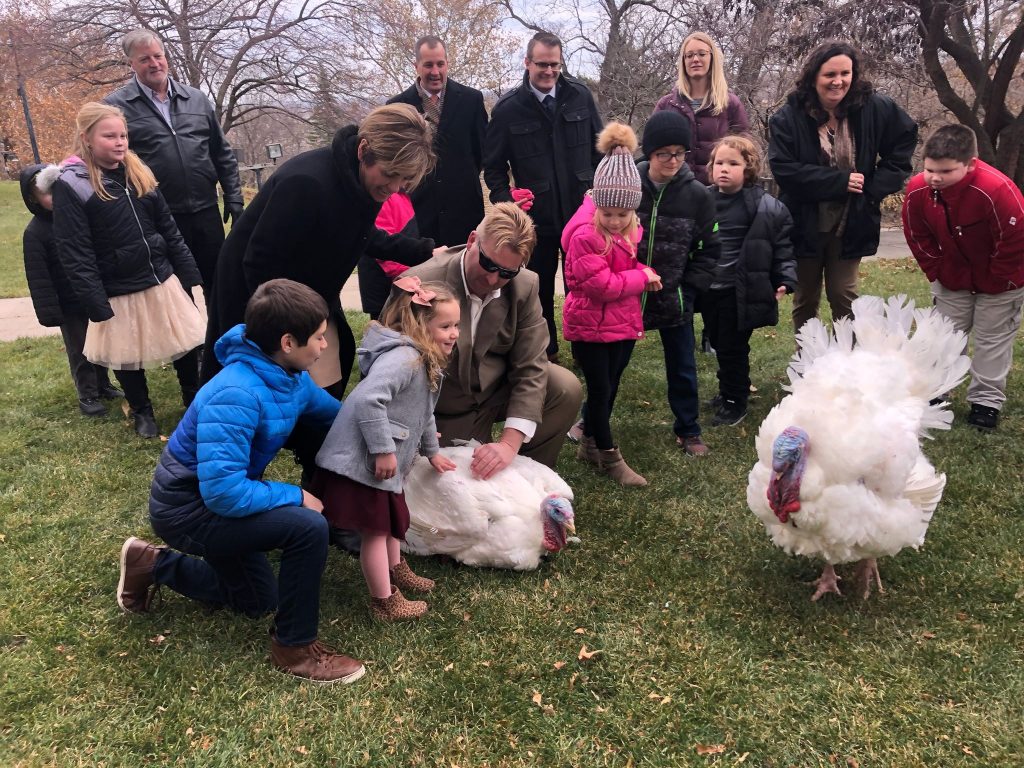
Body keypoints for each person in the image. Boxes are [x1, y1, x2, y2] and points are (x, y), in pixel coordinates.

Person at [116, 279, 365, 684]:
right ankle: (295, 647)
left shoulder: (290, 377)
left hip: (215, 501)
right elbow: (224, 492)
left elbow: (336, 415)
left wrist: (390, 431)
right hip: (189, 511)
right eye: (319, 338)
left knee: (256, 599)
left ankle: (151, 563)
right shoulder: (235, 394)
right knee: (307, 526)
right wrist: (296, 494)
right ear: (288, 342)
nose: (324, 346)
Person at [202, 103, 439, 395]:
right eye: (390, 174)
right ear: (364, 150)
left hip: (314, 299)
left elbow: (364, 236)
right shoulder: (307, 183)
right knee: (258, 398)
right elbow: (258, 262)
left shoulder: (363, 182)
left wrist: (426, 252)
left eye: (403, 180)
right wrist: (283, 334)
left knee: (327, 390)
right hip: (260, 301)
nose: (394, 187)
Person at [386, 202, 584, 478]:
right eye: (488, 263)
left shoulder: (525, 285)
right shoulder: (419, 285)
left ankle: (527, 478)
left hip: (493, 395)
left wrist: (508, 444)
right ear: (471, 241)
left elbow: (531, 365)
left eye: (507, 273)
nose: (493, 279)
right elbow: (388, 371)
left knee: (564, 387)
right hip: (440, 412)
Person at [52, 102, 205, 438]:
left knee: (185, 341)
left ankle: (192, 398)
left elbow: (168, 227)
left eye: (123, 135)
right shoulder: (73, 184)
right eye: (109, 136)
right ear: (87, 138)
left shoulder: (139, 172)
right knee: (127, 355)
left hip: (160, 277)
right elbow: (74, 250)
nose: (119, 142)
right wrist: (94, 300)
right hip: (117, 286)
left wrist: (189, 273)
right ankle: (142, 411)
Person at [313, 277, 459, 621]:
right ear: (420, 324)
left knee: (391, 523)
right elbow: (367, 400)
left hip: (387, 466)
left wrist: (432, 451)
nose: (454, 333)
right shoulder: (404, 360)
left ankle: (396, 569)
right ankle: (384, 602)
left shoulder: (423, 359)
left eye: (456, 325)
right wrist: (382, 449)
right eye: (445, 326)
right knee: (376, 532)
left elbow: (422, 413)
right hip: (366, 463)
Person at [768, 40, 917, 334]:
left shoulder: (875, 107)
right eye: (829, 75)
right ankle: (808, 364)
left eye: (845, 73)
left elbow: (904, 143)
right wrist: (839, 182)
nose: (838, 81)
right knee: (806, 296)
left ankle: (847, 366)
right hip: (804, 219)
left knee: (844, 295)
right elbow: (784, 170)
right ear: (814, 77)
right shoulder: (789, 116)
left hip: (852, 220)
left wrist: (873, 188)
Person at [483, 31, 603, 362]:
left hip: (582, 215)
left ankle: (586, 347)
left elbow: (600, 150)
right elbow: (492, 168)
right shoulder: (508, 110)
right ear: (527, 63)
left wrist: (597, 191)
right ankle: (546, 351)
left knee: (583, 284)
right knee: (539, 289)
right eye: (542, 65)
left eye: (555, 64)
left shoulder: (579, 96)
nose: (549, 71)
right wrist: (507, 200)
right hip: (537, 220)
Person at [105, 29, 243, 302]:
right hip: (159, 217)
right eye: (145, 59)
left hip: (206, 211)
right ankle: (190, 346)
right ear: (130, 64)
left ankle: (220, 340)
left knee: (220, 284)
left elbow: (221, 152)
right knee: (177, 292)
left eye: (158, 56)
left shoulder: (196, 99)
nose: (154, 64)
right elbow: (112, 164)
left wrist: (234, 197)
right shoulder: (116, 107)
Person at [902, 124, 1024, 432]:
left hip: (1001, 282)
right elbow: (917, 236)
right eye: (930, 169)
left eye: (945, 171)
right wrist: (938, 270)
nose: (935, 177)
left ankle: (986, 402)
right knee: (943, 337)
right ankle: (937, 391)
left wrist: (998, 278)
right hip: (952, 278)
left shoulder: (996, 189)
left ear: (970, 164)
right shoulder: (917, 190)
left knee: (991, 340)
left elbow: (1016, 240)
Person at [561, 124, 661, 486]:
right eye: (609, 213)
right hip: (591, 327)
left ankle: (588, 444)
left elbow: (627, 269)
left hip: (620, 323)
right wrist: (640, 279)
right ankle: (609, 456)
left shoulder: (631, 234)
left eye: (623, 214)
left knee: (613, 385)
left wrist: (643, 269)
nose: (616, 221)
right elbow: (601, 285)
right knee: (600, 390)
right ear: (597, 206)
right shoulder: (585, 238)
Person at [633, 110, 720, 456]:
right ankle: (592, 422)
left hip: (674, 298)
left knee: (683, 368)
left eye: (678, 153)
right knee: (610, 364)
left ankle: (689, 429)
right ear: (649, 153)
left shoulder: (698, 196)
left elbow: (710, 249)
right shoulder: (628, 185)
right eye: (662, 153)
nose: (671, 160)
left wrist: (689, 291)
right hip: (627, 294)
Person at [704, 135, 797, 426]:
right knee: (718, 340)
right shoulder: (703, 200)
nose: (724, 169)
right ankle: (728, 389)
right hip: (710, 288)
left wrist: (784, 278)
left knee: (733, 347)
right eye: (719, 162)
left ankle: (736, 401)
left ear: (749, 168)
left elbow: (781, 247)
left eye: (733, 163)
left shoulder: (765, 207)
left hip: (740, 290)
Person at [20, 163, 122, 416]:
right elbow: (38, 276)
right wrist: (50, 311)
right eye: (44, 194)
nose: (52, 198)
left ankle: (103, 383)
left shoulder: (78, 218)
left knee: (100, 344)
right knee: (80, 349)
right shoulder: (35, 233)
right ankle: (87, 394)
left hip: (91, 294)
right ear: (32, 198)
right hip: (68, 303)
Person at [387, 35, 488, 246]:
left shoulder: (472, 100)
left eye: (440, 64)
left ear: (447, 63)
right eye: (428, 65)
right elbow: (394, 161)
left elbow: (481, 153)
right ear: (416, 66)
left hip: (464, 212)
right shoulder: (397, 106)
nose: (435, 72)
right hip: (418, 215)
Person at [653, 31, 750, 185]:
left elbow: (745, 153)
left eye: (701, 54)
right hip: (674, 194)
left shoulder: (730, 104)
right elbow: (652, 151)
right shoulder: (666, 105)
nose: (695, 59)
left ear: (712, 58)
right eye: (689, 55)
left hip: (717, 196)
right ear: (683, 61)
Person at [357, 191, 419, 321]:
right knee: (385, 327)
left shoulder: (403, 196)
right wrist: (405, 275)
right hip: (384, 284)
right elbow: (382, 246)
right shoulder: (384, 196)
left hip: (404, 280)